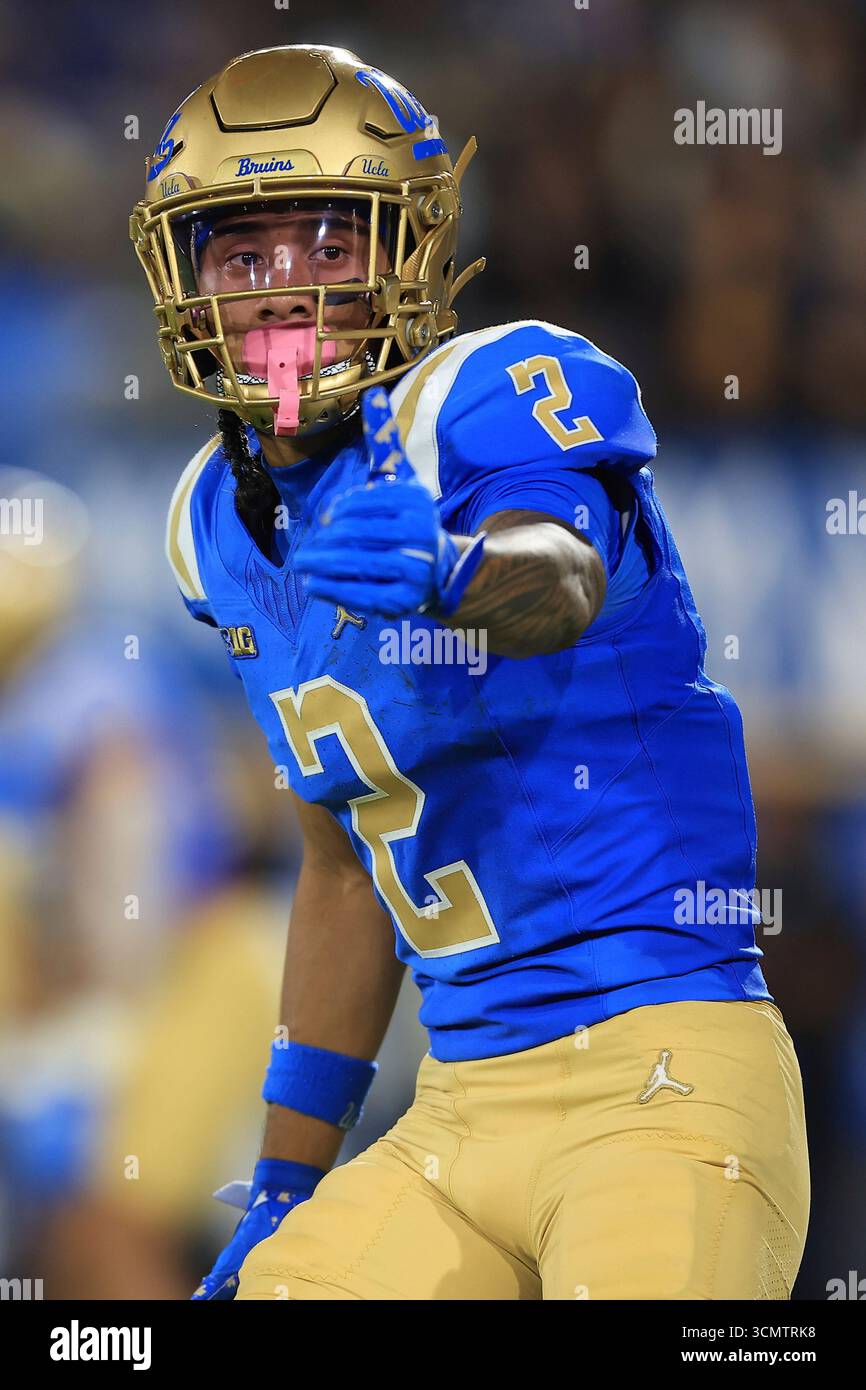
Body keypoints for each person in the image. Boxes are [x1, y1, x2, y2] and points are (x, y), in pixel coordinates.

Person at [130, 43, 809, 1300]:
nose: (286, 291)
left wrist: (455, 572)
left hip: (659, 1074)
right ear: (188, 283)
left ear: (412, 251)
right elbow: (342, 869)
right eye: (243, 256)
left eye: (329, 247)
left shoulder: (486, 395)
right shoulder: (210, 525)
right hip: (452, 1115)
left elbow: (560, 573)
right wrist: (286, 1178)